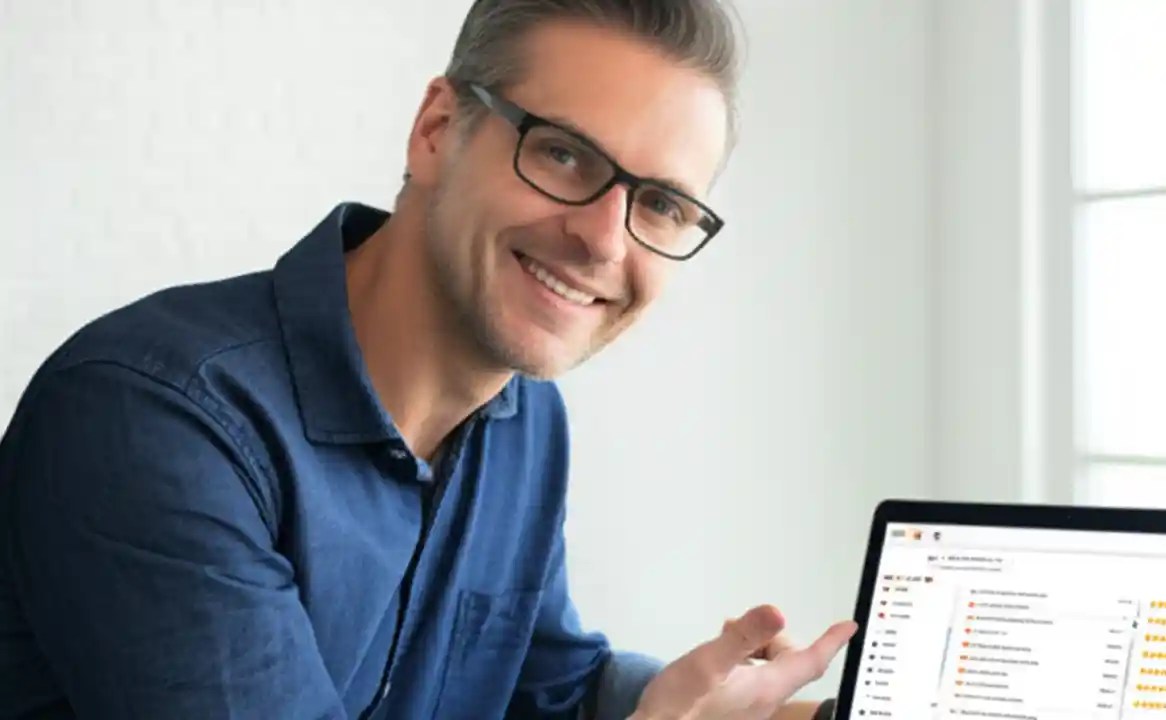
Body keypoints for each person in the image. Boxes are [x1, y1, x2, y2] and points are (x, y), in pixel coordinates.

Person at [0, 1, 856, 718]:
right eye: (563, 154)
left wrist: (728, 706)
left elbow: (543, 689)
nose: (603, 240)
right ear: (437, 131)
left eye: (661, 204)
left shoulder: (522, 418)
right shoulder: (154, 420)